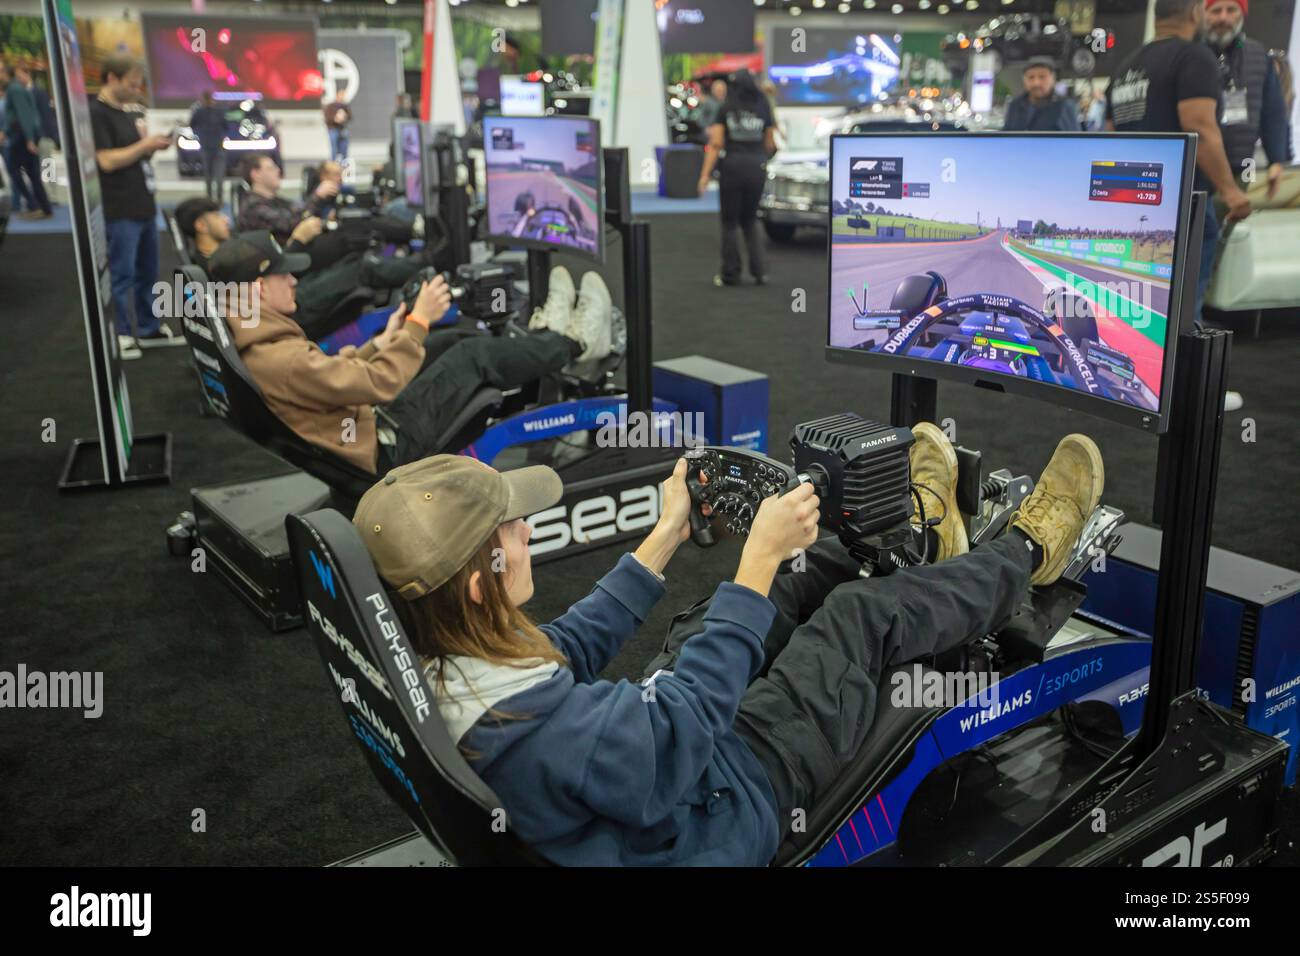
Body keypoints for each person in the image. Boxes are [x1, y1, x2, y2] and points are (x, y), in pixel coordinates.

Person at [351, 418, 1104, 866]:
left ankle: (923, 546)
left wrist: (666, 537)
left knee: (771, 588)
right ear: (479, 579)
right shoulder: (533, 733)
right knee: (854, 617)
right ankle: (1030, 556)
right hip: (722, 803)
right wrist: (753, 563)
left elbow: (565, 649)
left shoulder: (446, 659)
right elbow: (671, 744)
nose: (524, 531)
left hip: (645, 752)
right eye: (508, 529)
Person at [207, 238, 614, 472]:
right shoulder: (279, 356)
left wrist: (381, 343)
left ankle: (548, 335)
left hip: (357, 424)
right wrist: (418, 321)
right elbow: (378, 385)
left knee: (447, 342)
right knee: (469, 355)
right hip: (383, 446)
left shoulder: (254, 334)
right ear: (259, 288)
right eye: (284, 275)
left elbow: (324, 377)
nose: (294, 281)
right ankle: (575, 343)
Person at [1105, 0, 1251, 411]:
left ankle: (1135, 378)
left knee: (1145, 298)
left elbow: (1112, 134)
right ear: (1193, 13)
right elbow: (1200, 127)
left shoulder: (1128, 66)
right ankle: (1194, 391)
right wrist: (1231, 189)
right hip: (1184, 201)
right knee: (1187, 300)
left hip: (1134, 202)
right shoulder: (1194, 57)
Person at [90, 54, 183, 358]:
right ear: (112, 79)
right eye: (131, 83)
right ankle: (121, 333)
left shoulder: (128, 113)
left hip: (143, 204)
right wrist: (144, 145)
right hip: (120, 207)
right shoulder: (97, 114)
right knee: (122, 273)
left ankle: (149, 327)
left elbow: (133, 157)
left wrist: (150, 147)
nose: (136, 89)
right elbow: (106, 160)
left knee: (148, 272)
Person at [1204, 0, 1293, 203]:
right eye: (1216, 10)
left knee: (1225, 228)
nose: (1223, 18)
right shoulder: (1192, 54)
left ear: (1242, 14)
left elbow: (1273, 112)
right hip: (1200, 166)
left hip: (1241, 165)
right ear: (1203, 14)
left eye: (1231, 10)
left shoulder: (1258, 55)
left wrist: (1277, 160)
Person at [697, 69, 776, 287]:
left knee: (730, 222)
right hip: (756, 168)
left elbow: (715, 144)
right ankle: (760, 272)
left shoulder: (726, 107)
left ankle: (730, 274)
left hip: (732, 167)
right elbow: (770, 143)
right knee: (750, 220)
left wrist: (704, 176)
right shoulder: (763, 106)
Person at [1, 62, 53, 220]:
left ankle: (37, 205)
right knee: (30, 172)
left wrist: (30, 139)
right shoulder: (15, 88)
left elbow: (25, 115)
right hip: (22, 135)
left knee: (16, 169)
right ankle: (42, 206)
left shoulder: (14, 89)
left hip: (21, 136)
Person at [1003, 58, 1081, 132]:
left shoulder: (1065, 107)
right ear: (1024, 80)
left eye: (1042, 77)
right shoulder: (1015, 105)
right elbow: (1005, 135)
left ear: (1053, 79)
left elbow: (1074, 141)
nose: (1036, 83)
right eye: (1031, 77)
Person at [189, 91, 228, 202]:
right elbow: (192, 125)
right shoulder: (200, 113)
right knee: (209, 176)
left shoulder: (218, 112)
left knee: (217, 175)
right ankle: (211, 198)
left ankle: (217, 198)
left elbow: (225, 126)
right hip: (208, 147)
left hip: (216, 147)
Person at [323, 90, 351, 163]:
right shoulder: (331, 106)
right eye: (341, 95)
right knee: (334, 149)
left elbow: (350, 117)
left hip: (342, 129)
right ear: (337, 95)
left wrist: (344, 117)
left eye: (343, 95)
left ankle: (344, 165)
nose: (342, 97)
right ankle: (333, 165)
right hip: (333, 129)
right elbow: (327, 117)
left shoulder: (345, 106)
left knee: (344, 149)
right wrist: (335, 119)